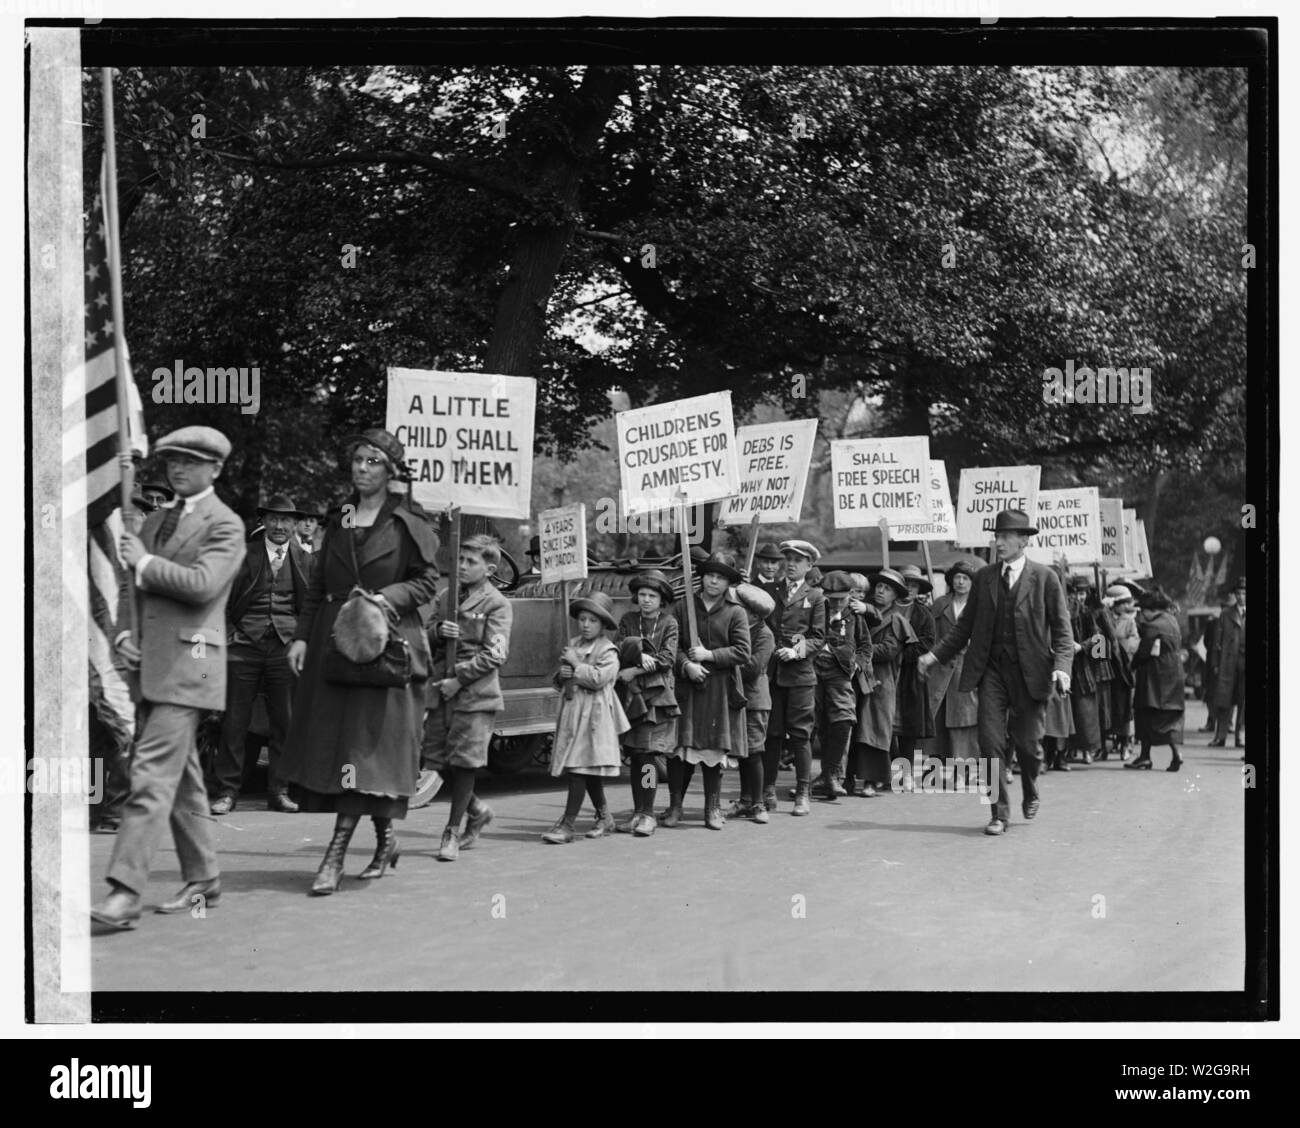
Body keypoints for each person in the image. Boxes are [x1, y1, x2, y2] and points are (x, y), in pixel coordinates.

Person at [90, 427, 246, 929]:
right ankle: (203, 877)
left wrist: (148, 562)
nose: (177, 468)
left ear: (215, 469)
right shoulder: (154, 519)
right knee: (182, 781)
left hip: (190, 666)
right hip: (149, 665)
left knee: (150, 775)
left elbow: (203, 586)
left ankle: (124, 891)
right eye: (172, 460)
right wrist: (121, 636)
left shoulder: (226, 524)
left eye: (190, 461)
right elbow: (129, 590)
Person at [281, 428, 440, 894]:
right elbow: (315, 587)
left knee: (368, 752)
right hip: (336, 643)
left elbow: (427, 583)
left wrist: (385, 599)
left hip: (387, 647)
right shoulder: (341, 517)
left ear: (391, 471)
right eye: (358, 460)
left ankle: (334, 855)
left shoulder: (410, 522)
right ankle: (387, 837)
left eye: (373, 461)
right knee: (343, 750)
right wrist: (301, 639)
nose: (363, 468)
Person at [918, 508, 1074, 837]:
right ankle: (998, 813)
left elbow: (1062, 633)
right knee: (989, 744)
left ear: (1023, 540)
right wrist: (933, 656)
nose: (999, 543)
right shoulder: (986, 577)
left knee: (1029, 746)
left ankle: (1030, 787)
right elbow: (964, 628)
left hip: (1030, 674)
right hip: (990, 672)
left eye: (1005, 537)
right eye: (997, 537)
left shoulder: (1045, 578)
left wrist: (1062, 669)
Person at [209, 493, 313, 815]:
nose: (280, 525)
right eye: (274, 519)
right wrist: (228, 634)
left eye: (286, 520)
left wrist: (302, 640)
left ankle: (279, 791)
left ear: (295, 524)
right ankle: (227, 792)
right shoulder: (244, 555)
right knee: (234, 722)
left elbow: (312, 606)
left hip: (285, 647)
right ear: (264, 522)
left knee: (285, 722)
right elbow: (221, 597)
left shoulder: (306, 558)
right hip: (244, 646)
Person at [422, 534, 514, 860]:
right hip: (441, 693)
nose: (461, 566)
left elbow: (495, 655)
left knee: (463, 763)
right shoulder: (447, 596)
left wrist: (458, 679)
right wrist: (438, 633)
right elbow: (426, 633)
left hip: (476, 696)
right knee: (434, 757)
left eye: (470, 562)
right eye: (459, 560)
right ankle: (476, 809)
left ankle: (451, 831)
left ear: (489, 569)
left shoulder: (497, 604)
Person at [664, 551, 751, 829]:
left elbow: (743, 652)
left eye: (720, 577)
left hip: (719, 691)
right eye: (710, 575)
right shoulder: (682, 607)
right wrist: (687, 664)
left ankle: (712, 808)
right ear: (702, 577)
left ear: (728, 583)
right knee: (681, 752)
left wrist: (709, 655)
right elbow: (672, 646)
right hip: (687, 689)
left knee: (713, 754)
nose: (713, 581)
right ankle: (674, 806)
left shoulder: (735, 612)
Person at [542, 591, 629, 843]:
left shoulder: (608, 650)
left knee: (580, 767)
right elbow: (559, 680)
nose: (586, 625)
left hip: (594, 717)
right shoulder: (574, 644)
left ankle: (568, 824)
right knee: (587, 768)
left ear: (603, 625)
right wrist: (563, 673)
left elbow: (600, 679)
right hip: (573, 714)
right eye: (582, 619)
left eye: (592, 620)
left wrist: (576, 665)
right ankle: (604, 817)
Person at [613, 570, 680, 836]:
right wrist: (637, 654)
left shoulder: (669, 623)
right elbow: (618, 649)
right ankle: (637, 812)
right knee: (636, 754)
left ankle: (648, 814)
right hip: (631, 695)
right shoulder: (629, 619)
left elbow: (667, 659)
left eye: (652, 595)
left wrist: (635, 668)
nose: (646, 600)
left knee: (650, 755)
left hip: (658, 697)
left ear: (661, 599)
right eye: (642, 595)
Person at [762, 540, 826, 816]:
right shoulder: (769, 590)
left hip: (800, 675)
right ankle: (767, 791)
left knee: (800, 735)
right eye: (787, 558)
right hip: (772, 673)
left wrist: (797, 651)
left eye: (798, 560)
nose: (790, 563)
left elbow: (819, 637)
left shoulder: (816, 596)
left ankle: (803, 793)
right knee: (772, 734)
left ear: (809, 565)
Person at [847, 568, 913, 796]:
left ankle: (872, 780)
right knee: (855, 727)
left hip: (881, 679)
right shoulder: (862, 613)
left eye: (888, 589)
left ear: (896, 595)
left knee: (875, 728)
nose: (881, 591)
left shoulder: (897, 619)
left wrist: (859, 650)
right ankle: (849, 778)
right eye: (879, 587)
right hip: (857, 676)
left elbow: (889, 650)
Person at [926, 559, 981, 776]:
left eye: (965, 578)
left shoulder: (979, 606)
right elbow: (932, 635)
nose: (960, 582)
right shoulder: (940, 604)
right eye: (957, 577)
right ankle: (938, 769)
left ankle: (966, 769)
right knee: (937, 719)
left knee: (965, 719)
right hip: (940, 670)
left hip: (967, 670)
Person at [812, 571, 863, 800]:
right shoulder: (814, 609)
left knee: (844, 718)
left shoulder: (855, 615)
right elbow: (797, 636)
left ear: (849, 596)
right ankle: (814, 780)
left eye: (841, 599)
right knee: (813, 722)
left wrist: (858, 664)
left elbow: (866, 646)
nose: (836, 604)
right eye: (832, 599)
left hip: (840, 673)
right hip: (812, 671)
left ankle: (831, 774)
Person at [1125, 586, 1187, 771]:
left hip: (1154, 676)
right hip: (1174, 674)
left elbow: (1143, 652)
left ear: (1151, 610)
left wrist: (1131, 666)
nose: (1141, 615)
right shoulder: (1171, 620)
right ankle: (1176, 754)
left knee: (1145, 713)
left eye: (1143, 611)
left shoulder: (1154, 625)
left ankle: (1145, 756)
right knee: (1170, 717)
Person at [729, 582, 776, 822]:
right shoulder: (740, 630)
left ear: (754, 614)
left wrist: (724, 661)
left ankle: (758, 804)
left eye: (741, 609)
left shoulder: (764, 634)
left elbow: (752, 668)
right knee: (743, 753)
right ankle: (746, 800)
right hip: (740, 699)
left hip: (756, 701)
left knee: (755, 752)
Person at [893, 564, 937, 791]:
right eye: (906, 584)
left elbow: (928, 642)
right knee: (883, 723)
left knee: (908, 725)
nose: (909, 589)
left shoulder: (923, 614)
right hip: (885, 673)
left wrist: (901, 653)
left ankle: (906, 772)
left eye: (914, 585)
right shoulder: (886, 608)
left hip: (910, 674)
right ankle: (885, 772)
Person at [1065, 574, 1104, 765]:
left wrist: (1082, 647)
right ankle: (1068, 749)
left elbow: (1099, 640)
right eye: (1075, 593)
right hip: (1064, 666)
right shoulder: (1061, 611)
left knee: (1085, 711)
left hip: (1082, 668)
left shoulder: (1089, 614)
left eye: (1082, 594)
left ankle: (1088, 750)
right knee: (1067, 710)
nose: (1078, 598)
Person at [1208, 578, 1245, 748]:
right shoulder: (1226, 614)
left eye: (1244, 593)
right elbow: (1217, 642)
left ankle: (1241, 737)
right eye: (1238, 593)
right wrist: (1215, 664)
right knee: (1224, 702)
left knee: (1245, 702)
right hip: (1228, 663)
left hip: (1245, 665)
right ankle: (1220, 736)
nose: (1241, 597)